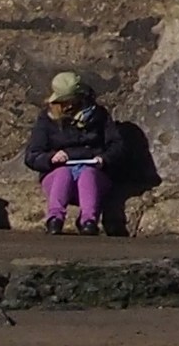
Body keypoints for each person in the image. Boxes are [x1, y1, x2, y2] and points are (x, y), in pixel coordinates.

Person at [22, 71, 118, 233]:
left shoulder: (99, 116)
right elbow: (32, 155)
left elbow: (116, 146)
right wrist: (51, 158)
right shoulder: (47, 119)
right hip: (58, 173)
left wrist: (104, 159)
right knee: (63, 173)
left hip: (93, 171)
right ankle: (55, 219)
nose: (66, 106)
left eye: (69, 100)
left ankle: (88, 221)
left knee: (88, 174)